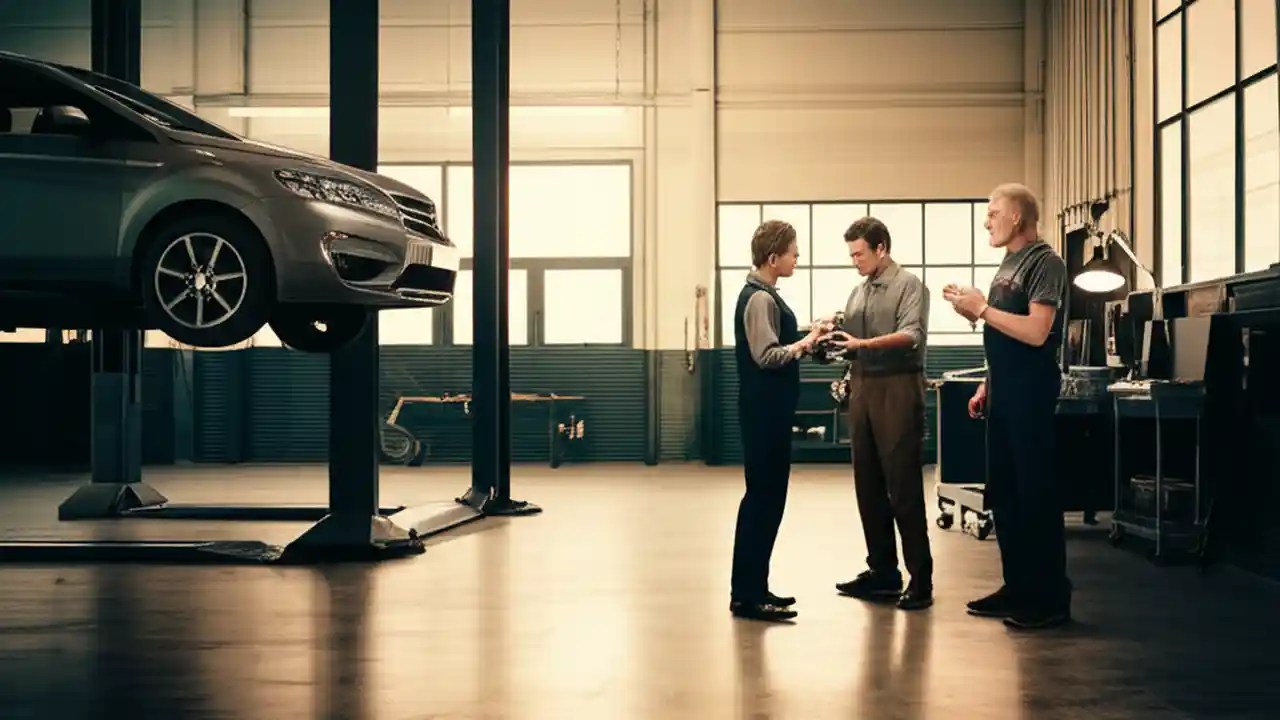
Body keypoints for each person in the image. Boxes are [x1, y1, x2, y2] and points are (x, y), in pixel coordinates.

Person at [943, 182, 1072, 630]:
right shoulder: (1008, 265)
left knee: (1035, 493)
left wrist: (981, 309)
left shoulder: (1046, 262)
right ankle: (1017, 586)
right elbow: (1004, 332)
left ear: (1017, 217)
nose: (987, 220)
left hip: (1032, 394)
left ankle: (1051, 597)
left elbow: (1037, 331)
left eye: (994, 213)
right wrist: (986, 381)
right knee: (1006, 493)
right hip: (1004, 393)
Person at [821, 217, 934, 611]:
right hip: (863, 388)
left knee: (902, 487)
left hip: (899, 388)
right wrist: (828, 334)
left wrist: (863, 343)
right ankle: (884, 572)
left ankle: (921, 579)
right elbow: (849, 340)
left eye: (859, 253)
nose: (854, 260)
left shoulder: (910, 287)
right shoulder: (858, 292)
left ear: (881, 247)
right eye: (851, 254)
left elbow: (911, 336)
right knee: (867, 485)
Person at [730, 219, 825, 622]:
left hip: (767, 411)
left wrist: (809, 331)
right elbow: (767, 356)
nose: (797, 258)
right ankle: (749, 596)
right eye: (793, 252)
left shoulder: (765, 296)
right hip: (764, 413)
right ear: (774, 257)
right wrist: (806, 343)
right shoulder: (760, 299)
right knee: (764, 500)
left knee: (765, 499)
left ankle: (754, 587)